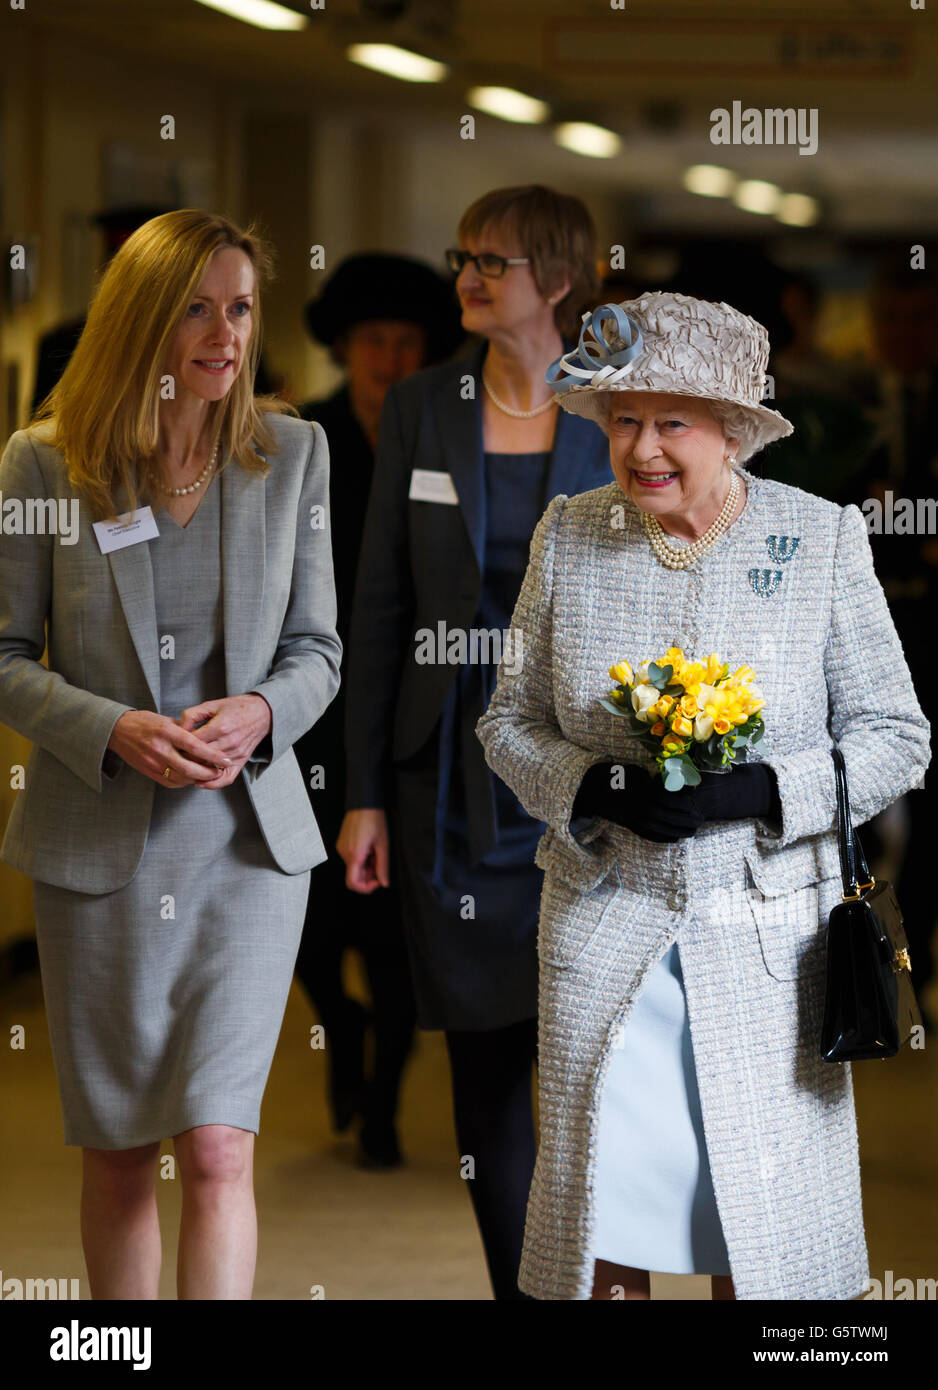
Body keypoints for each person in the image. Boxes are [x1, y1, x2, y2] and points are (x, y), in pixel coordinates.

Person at [475, 290, 931, 1300]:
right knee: (600, 1223)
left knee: (754, 1243)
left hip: (769, 947)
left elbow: (897, 739)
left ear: (732, 431)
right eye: (621, 418)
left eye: (669, 421)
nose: (639, 447)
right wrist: (593, 782)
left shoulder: (816, 541)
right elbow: (505, 723)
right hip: (603, 928)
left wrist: (762, 791)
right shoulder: (567, 534)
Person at [0, 209, 341, 1299]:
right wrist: (106, 726)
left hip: (244, 847)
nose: (225, 332)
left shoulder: (292, 454)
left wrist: (259, 711)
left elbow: (319, 649)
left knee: (214, 1143)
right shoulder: (45, 464)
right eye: (197, 306)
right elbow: (5, 654)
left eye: (239, 307)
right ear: (140, 314)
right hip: (101, 846)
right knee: (118, 1147)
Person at [337, 185, 610, 1298]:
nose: (469, 276)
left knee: (589, 1066)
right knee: (486, 1071)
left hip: (579, 777)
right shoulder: (421, 404)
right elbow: (380, 603)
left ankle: (597, 1276)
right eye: (464, 256)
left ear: (553, 279)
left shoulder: (613, 409)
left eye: (492, 261)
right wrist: (360, 791)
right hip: (443, 780)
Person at [293, 254, 464, 1164]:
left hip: (408, 709)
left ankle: (387, 1110)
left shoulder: (445, 435)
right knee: (308, 928)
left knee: (394, 925)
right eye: (371, 343)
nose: (388, 360)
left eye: (405, 343)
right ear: (345, 348)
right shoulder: (302, 437)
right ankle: (341, 1024)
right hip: (305, 711)